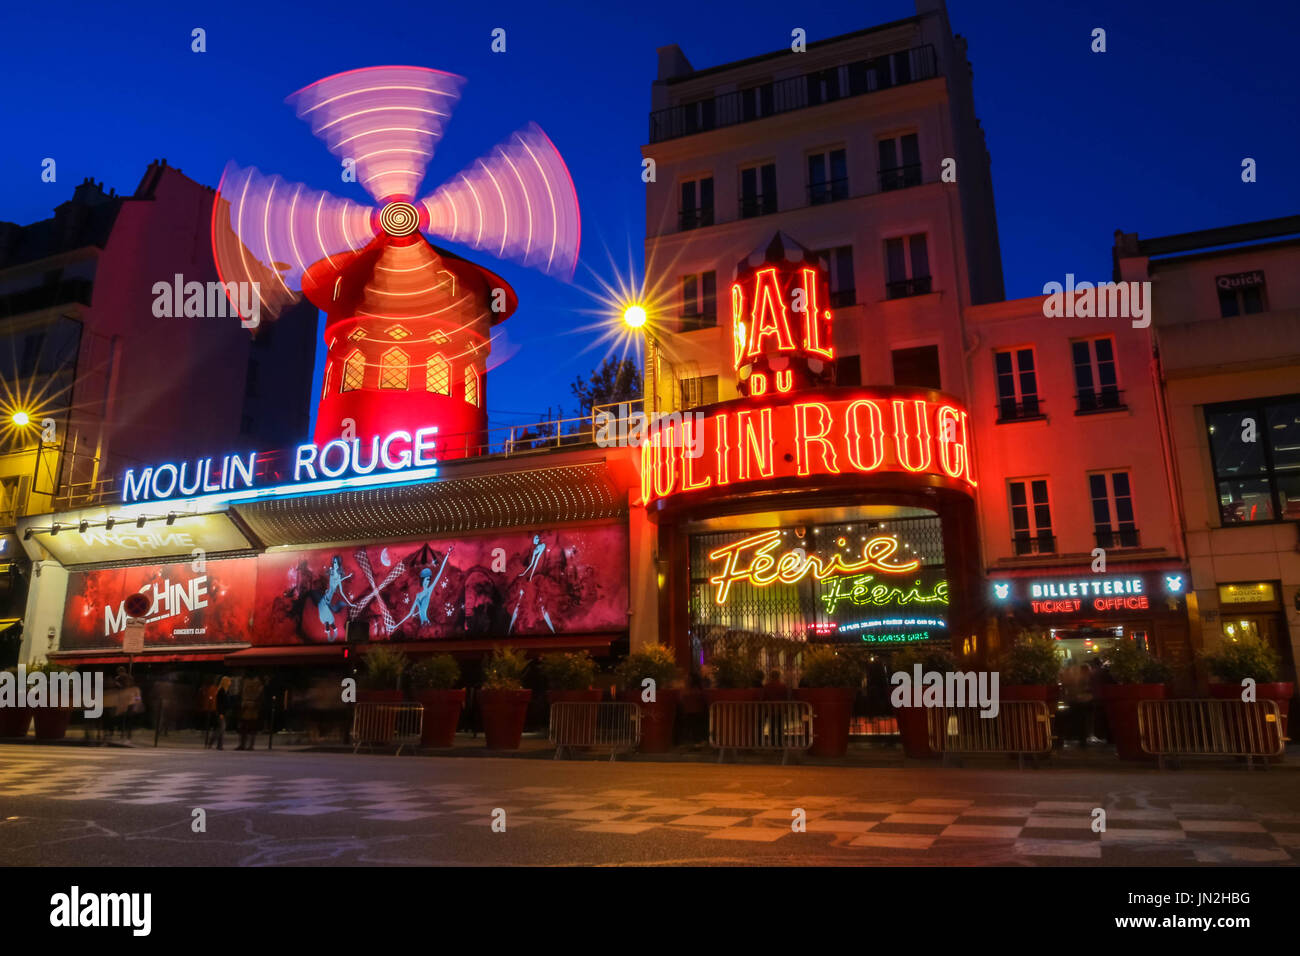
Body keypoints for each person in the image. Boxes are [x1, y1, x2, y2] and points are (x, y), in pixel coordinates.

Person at [237, 674, 264, 751]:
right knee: (244, 728)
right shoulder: (247, 683)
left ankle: (248, 745)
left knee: (250, 728)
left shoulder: (257, 685)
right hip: (246, 708)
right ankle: (243, 745)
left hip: (251, 709)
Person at [199, 678, 219, 748]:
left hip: (207, 709)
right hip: (212, 709)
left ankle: (208, 742)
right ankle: (209, 743)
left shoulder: (204, 689)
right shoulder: (214, 689)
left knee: (209, 725)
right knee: (216, 726)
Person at [213, 677, 231, 750]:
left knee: (220, 728)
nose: (230, 683)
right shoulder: (221, 691)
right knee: (222, 728)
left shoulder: (226, 691)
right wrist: (221, 713)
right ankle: (219, 745)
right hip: (221, 712)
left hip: (223, 712)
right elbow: (219, 703)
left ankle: (214, 742)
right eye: (229, 681)